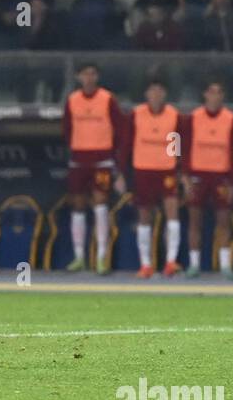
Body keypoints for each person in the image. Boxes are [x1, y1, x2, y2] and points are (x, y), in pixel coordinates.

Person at [62, 62, 127, 273]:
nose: (88, 78)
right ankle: (79, 256)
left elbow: (120, 132)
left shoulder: (107, 99)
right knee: (78, 206)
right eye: (85, 74)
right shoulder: (72, 101)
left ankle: (101, 256)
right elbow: (66, 130)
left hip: (102, 160)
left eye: (92, 74)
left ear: (97, 77)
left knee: (100, 205)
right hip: (79, 160)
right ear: (79, 77)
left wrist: (117, 165)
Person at [180, 79, 233, 279]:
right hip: (198, 174)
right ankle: (194, 264)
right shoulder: (193, 118)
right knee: (195, 221)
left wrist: (232, 181)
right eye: (211, 92)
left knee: (223, 220)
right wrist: (185, 176)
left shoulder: (230, 119)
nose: (215, 96)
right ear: (205, 95)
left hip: (221, 175)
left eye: (219, 92)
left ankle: (225, 265)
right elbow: (183, 146)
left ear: (222, 96)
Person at [123, 79, 182, 278]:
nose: (156, 95)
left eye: (159, 90)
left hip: (167, 170)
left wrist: (179, 170)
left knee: (172, 214)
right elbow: (127, 144)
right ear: (146, 94)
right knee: (144, 217)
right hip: (143, 170)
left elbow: (177, 145)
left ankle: (171, 262)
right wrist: (122, 173)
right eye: (152, 91)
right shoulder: (137, 114)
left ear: (164, 94)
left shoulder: (173, 115)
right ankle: (146, 264)